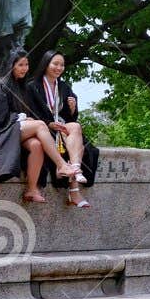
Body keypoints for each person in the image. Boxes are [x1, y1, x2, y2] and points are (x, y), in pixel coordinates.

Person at [0, 50, 81, 200]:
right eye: (20, 65)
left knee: (36, 145)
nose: (24, 68)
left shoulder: (21, 86)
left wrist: (26, 119)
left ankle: (31, 190)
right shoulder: (1, 85)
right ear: (10, 66)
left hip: (14, 129)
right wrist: (23, 118)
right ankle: (62, 165)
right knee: (39, 125)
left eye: (26, 64)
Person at [32, 50, 99, 206]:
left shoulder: (64, 87)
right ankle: (74, 191)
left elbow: (71, 117)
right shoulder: (33, 86)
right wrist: (49, 123)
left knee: (75, 126)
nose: (59, 67)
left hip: (61, 125)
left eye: (62, 65)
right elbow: (30, 112)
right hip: (44, 127)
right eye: (55, 63)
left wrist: (72, 108)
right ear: (46, 64)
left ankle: (75, 166)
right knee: (73, 146)